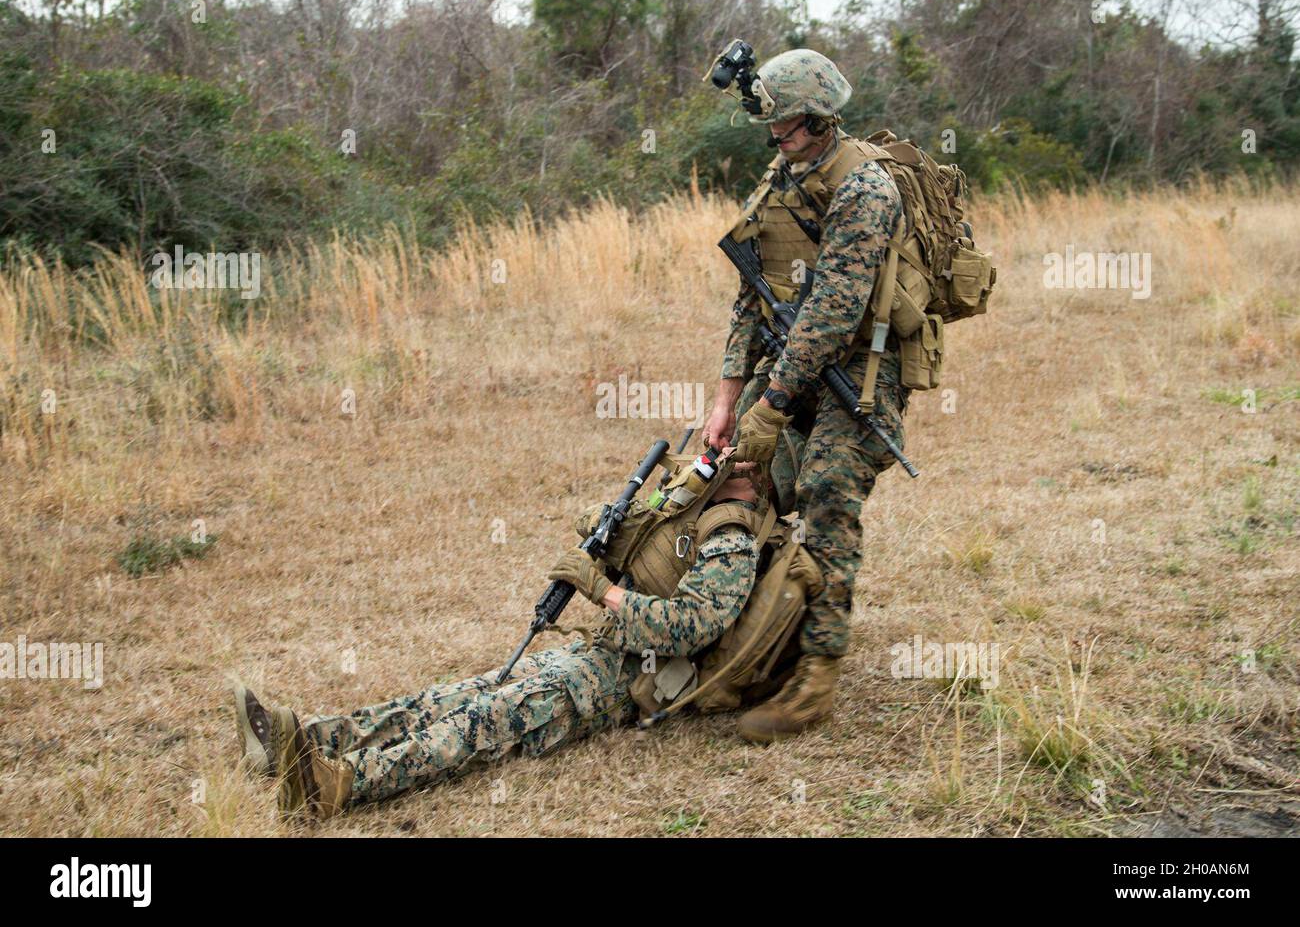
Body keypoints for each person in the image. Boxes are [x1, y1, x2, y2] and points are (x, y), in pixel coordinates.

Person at [231, 469, 767, 821]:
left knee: (489, 718)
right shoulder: (686, 508)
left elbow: (694, 625)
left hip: (633, 678)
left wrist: (604, 592)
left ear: (751, 470)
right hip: (602, 650)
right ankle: (305, 740)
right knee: (454, 696)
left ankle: (339, 784)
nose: (715, 451)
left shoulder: (732, 538)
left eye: (730, 450)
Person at [702, 48, 909, 743]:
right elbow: (749, 291)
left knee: (825, 495)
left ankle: (816, 676)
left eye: (785, 129)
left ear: (821, 122)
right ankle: (745, 641)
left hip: (861, 379)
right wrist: (730, 398)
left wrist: (772, 405)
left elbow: (832, 316)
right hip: (791, 363)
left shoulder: (866, 191)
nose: (775, 141)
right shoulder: (781, 175)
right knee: (731, 482)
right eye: (772, 130)